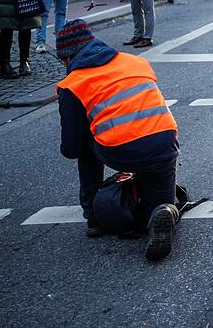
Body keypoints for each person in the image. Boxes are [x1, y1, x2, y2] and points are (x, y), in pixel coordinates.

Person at [55, 18, 180, 260]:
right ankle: (163, 210)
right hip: (164, 145)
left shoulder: (72, 84)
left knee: (85, 145)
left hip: (122, 150)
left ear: (69, 58)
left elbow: (71, 148)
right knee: (160, 205)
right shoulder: (135, 62)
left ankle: (94, 217)